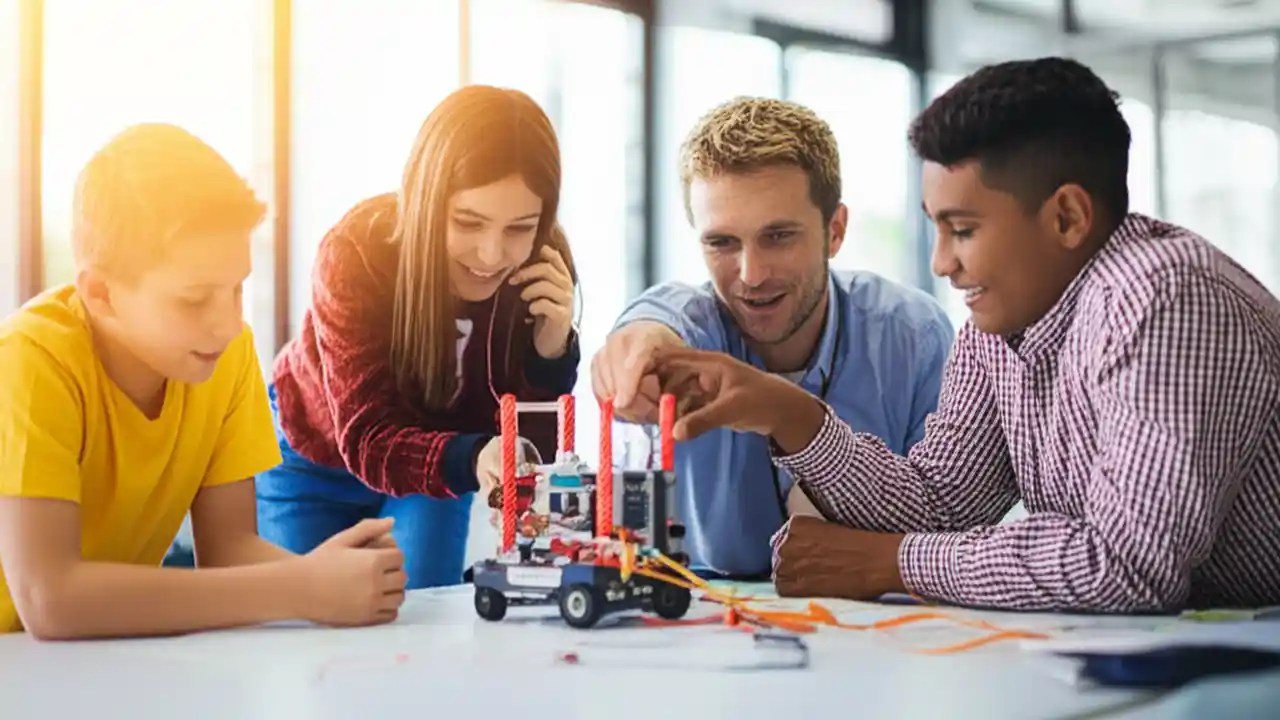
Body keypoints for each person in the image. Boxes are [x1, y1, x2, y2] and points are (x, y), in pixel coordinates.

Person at [647, 57, 1280, 613]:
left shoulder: (1165, 297)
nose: (940, 263)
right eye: (936, 228)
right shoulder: (999, 324)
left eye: (964, 229)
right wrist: (792, 416)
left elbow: (1127, 564)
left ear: (1067, 217)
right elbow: (939, 505)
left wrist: (888, 564)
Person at [0, 124, 407, 638]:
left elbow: (229, 550)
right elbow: (50, 599)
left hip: (90, 666)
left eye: (237, 289)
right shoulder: (31, 362)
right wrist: (302, 587)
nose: (228, 322)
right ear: (100, 293)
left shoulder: (224, 354)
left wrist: (323, 575)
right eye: (194, 299)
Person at [591, 97, 953, 579]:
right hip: (705, 635)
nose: (751, 274)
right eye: (721, 242)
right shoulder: (693, 331)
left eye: (778, 237)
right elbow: (656, 319)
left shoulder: (914, 339)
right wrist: (634, 344)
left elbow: (949, 522)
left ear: (835, 231)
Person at [258, 85, 579, 589]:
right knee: (304, 627)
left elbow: (528, 458)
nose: (493, 254)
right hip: (311, 458)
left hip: (435, 465)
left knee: (423, 617)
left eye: (519, 227)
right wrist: (475, 458)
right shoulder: (358, 252)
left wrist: (551, 350)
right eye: (468, 222)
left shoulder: (540, 270)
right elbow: (367, 439)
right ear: (428, 202)